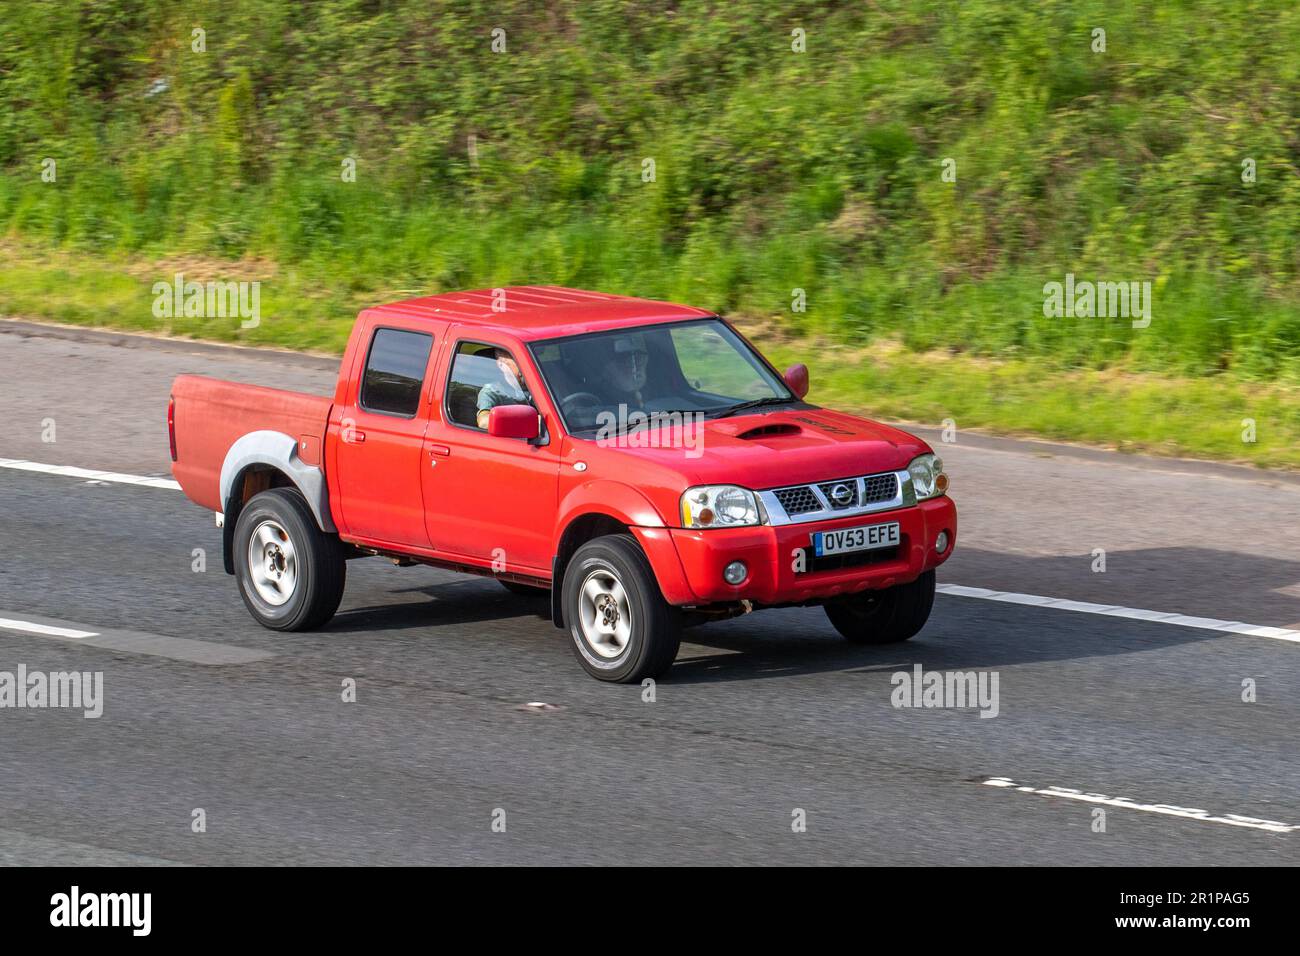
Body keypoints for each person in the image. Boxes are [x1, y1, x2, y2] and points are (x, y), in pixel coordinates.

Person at [476, 348, 534, 429]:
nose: (527, 369)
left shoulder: (543, 382)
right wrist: (529, 421)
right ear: (501, 364)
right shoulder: (492, 391)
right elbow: (483, 422)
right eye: (519, 361)